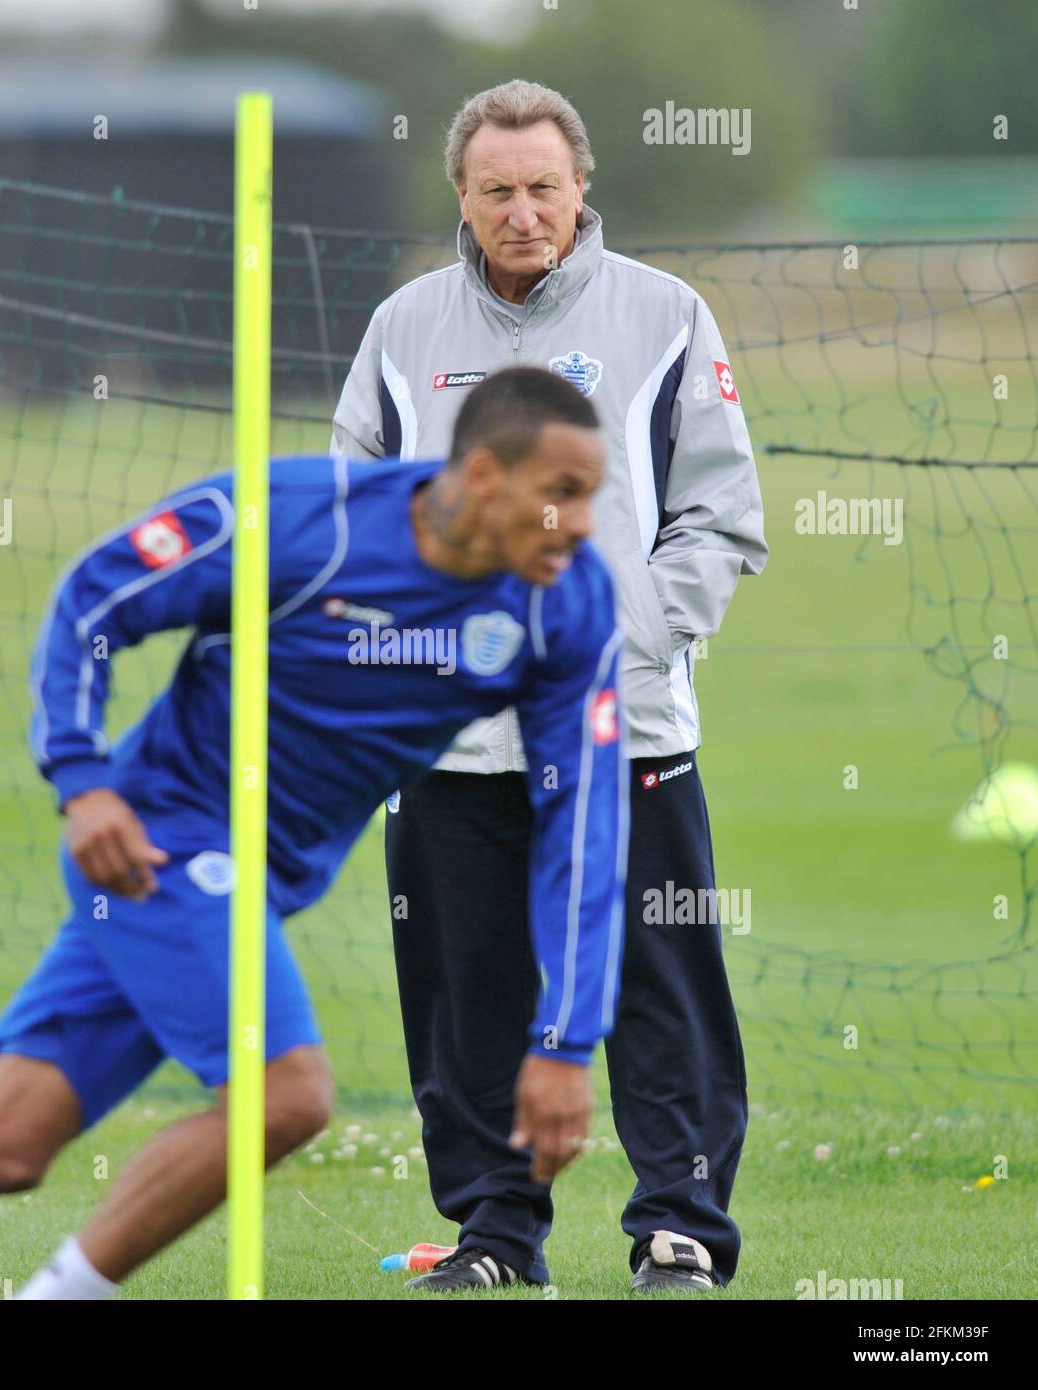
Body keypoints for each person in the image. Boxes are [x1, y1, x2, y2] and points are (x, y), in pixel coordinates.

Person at [0, 368, 628, 1299]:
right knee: (286, 1096)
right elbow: (94, 601)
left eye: (592, 497)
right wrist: (80, 780)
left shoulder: (564, 604)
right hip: (156, 845)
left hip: (251, 884)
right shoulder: (299, 519)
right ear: (488, 478)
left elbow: (583, 827)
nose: (580, 523)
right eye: (563, 494)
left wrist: (567, 1042)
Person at [332, 79, 767, 1293]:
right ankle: (493, 1237)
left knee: (658, 988)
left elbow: (720, 520)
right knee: (466, 1002)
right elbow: (350, 519)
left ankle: (677, 1227)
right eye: (496, 191)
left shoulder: (667, 315)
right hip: (449, 739)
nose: (522, 212)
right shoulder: (403, 330)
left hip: (622, 730)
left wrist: (622, 638)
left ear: (582, 190)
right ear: (461, 200)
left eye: (543, 188)